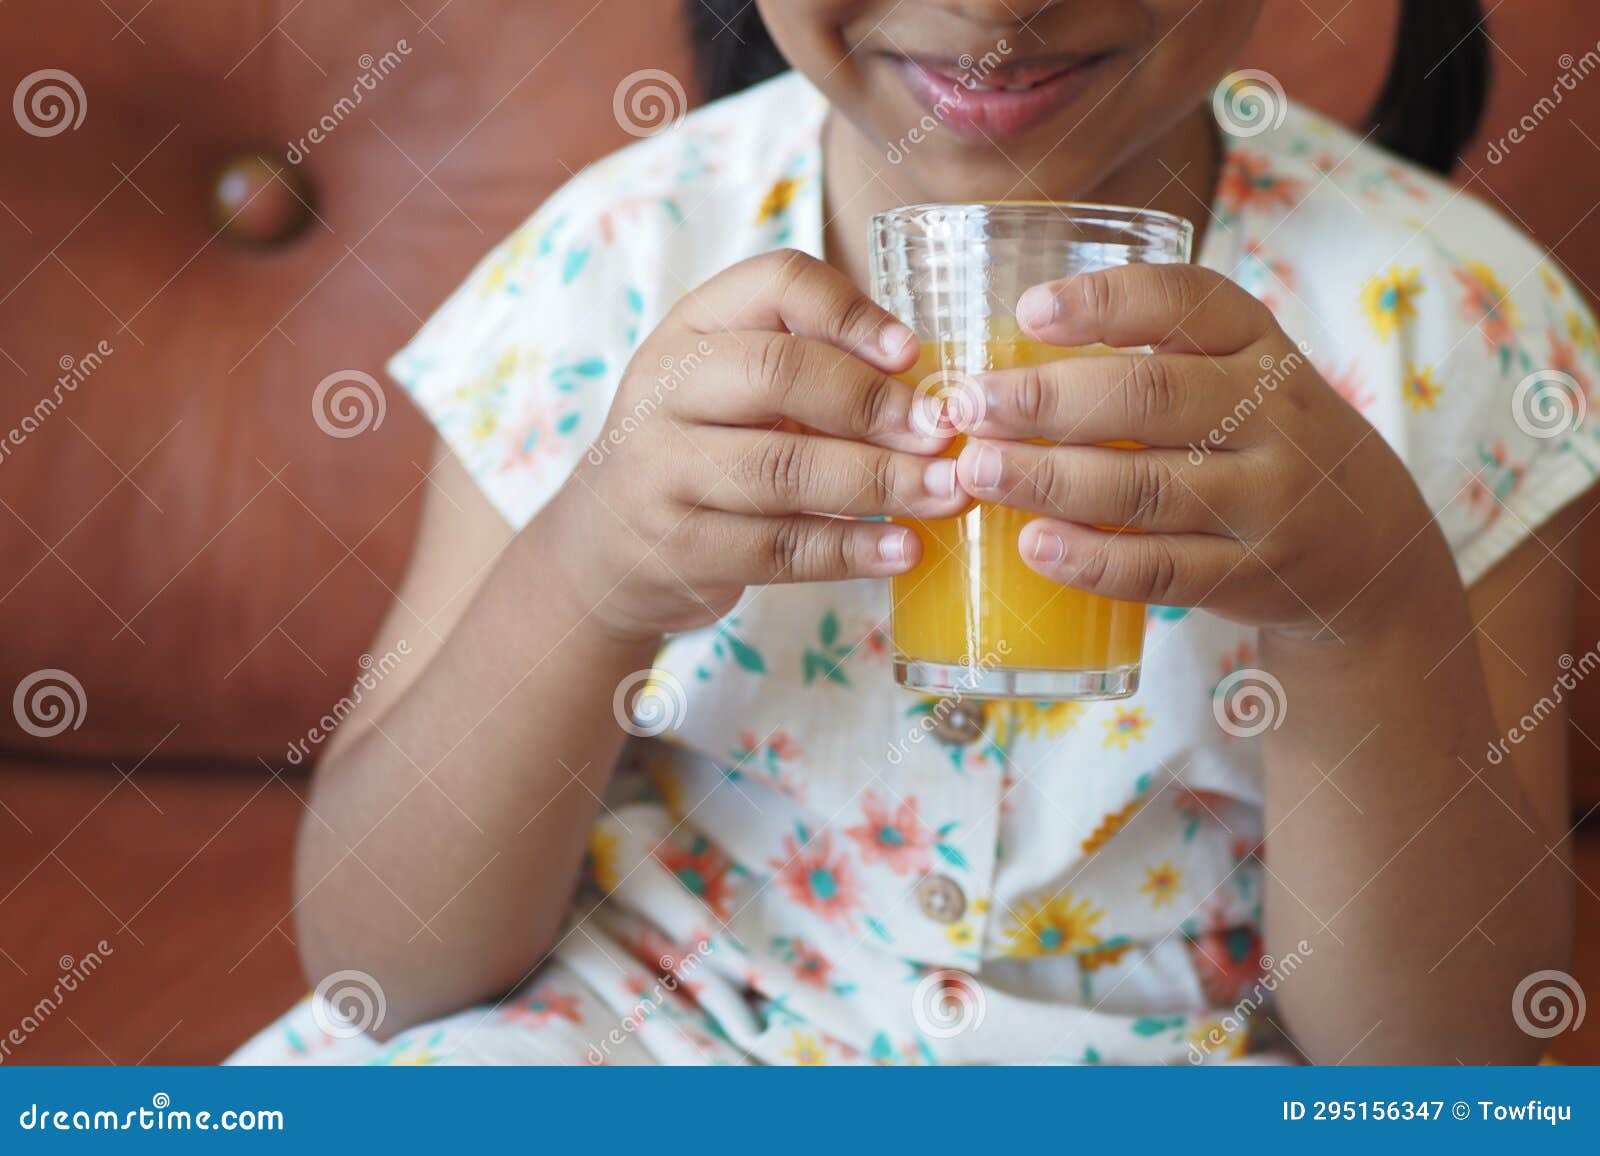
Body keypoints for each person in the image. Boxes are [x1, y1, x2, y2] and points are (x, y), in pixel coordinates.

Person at [233, 0, 1591, 1065]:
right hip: (653, 1035)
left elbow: (1462, 1060)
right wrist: (581, 577)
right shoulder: (617, 266)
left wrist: (1368, 622)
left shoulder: (1446, 325)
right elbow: (381, 964)